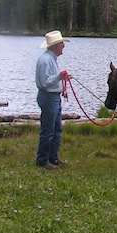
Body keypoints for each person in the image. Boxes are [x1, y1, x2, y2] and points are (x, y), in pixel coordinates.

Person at [35, 30, 72, 170]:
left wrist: (61, 78)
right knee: (48, 130)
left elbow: (50, 80)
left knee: (56, 128)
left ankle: (52, 158)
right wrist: (59, 77)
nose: (63, 46)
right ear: (56, 46)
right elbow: (45, 82)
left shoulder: (50, 59)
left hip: (53, 98)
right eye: (62, 44)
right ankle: (43, 160)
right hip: (48, 97)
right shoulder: (46, 60)